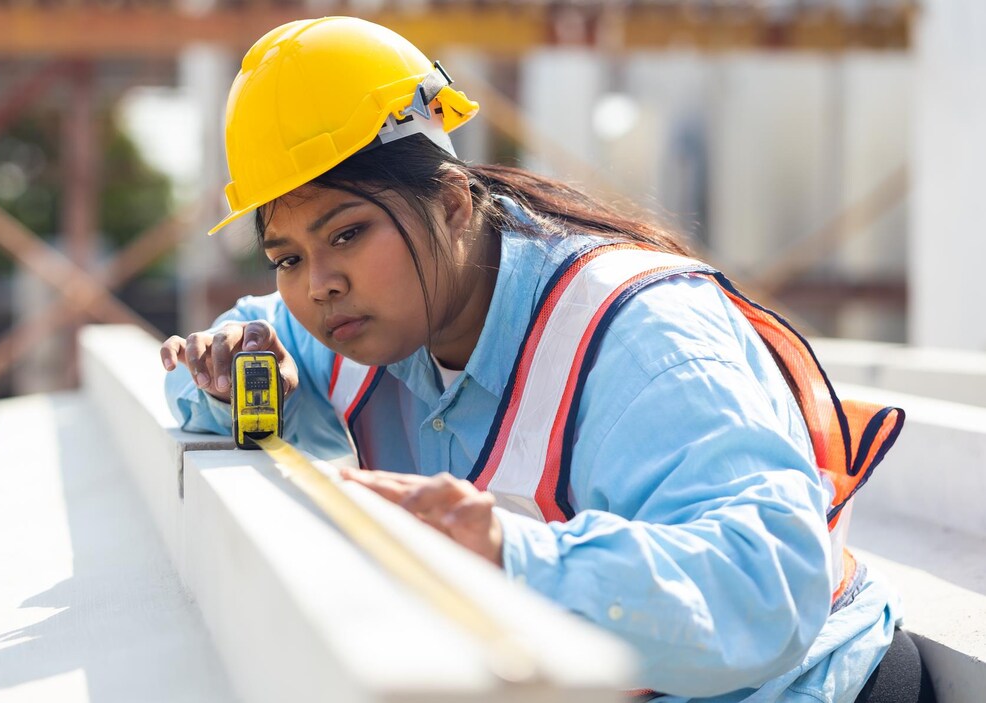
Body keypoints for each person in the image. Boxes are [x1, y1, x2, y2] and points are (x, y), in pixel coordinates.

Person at [161, 16, 934, 703]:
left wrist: (510, 555)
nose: (318, 284)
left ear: (452, 204)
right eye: (286, 257)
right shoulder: (350, 321)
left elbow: (768, 586)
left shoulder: (638, 333)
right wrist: (225, 378)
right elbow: (234, 349)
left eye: (347, 233)